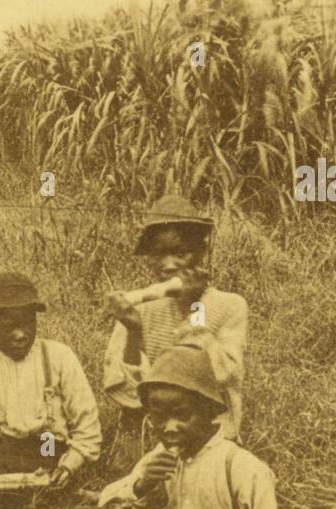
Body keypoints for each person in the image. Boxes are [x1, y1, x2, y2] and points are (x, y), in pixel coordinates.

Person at [61, 343, 282, 509]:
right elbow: (110, 502)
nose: (169, 427)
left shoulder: (242, 467)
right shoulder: (164, 455)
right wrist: (141, 486)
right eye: (158, 416)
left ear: (209, 411)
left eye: (181, 414)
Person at [102, 195, 246, 471]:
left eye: (180, 253)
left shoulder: (230, 305)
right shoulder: (141, 308)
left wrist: (193, 310)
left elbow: (223, 374)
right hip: (152, 441)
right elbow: (126, 396)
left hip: (211, 441)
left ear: (201, 253)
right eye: (158, 254)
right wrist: (134, 332)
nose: (167, 265)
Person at [0, 272, 101, 485]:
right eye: (8, 326)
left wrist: (70, 464)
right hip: (0, 466)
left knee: (49, 446)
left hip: (50, 454)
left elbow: (87, 423)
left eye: (27, 323)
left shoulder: (59, 357)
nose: (20, 334)